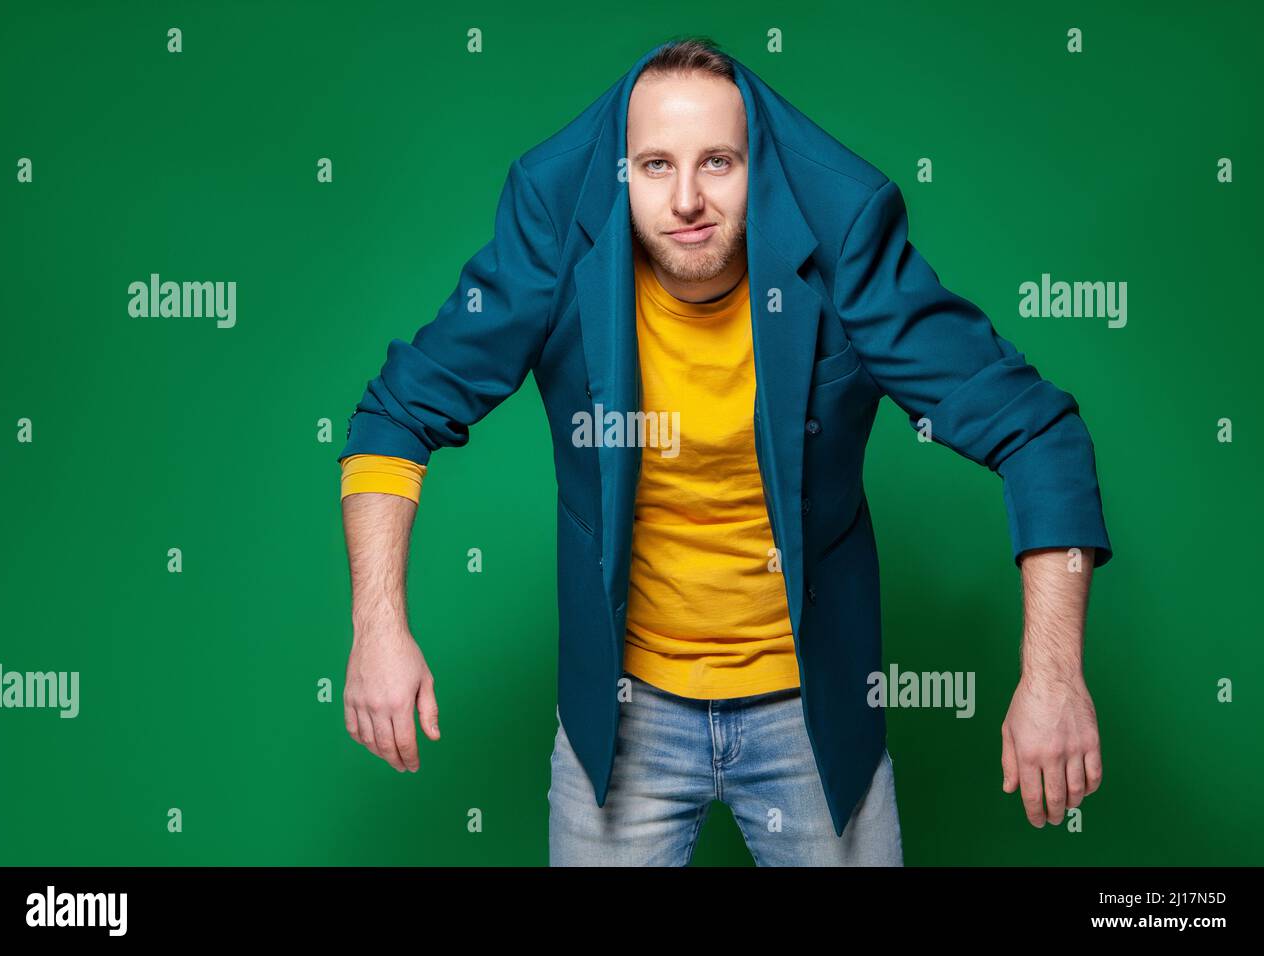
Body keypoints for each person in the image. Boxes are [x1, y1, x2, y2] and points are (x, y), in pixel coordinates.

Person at [337, 37, 1112, 866]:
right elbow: (397, 412)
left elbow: (1037, 431)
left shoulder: (843, 228)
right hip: (624, 714)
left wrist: (1054, 677)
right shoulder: (555, 219)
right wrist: (377, 628)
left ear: (761, 166)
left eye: (717, 162)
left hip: (812, 714)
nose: (686, 200)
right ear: (618, 175)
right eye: (655, 166)